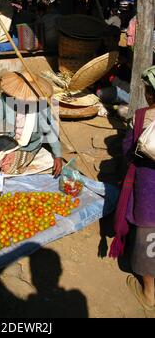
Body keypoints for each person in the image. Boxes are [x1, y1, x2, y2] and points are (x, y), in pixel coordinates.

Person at [109, 65, 155, 310]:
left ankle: (150, 293)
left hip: (149, 191)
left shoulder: (141, 117)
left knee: (149, 242)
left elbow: (128, 151)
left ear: (149, 94)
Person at [0, 71, 62, 176]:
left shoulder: (42, 105)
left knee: (7, 167)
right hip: (8, 139)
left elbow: (50, 130)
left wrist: (58, 155)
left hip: (27, 145)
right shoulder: (6, 98)